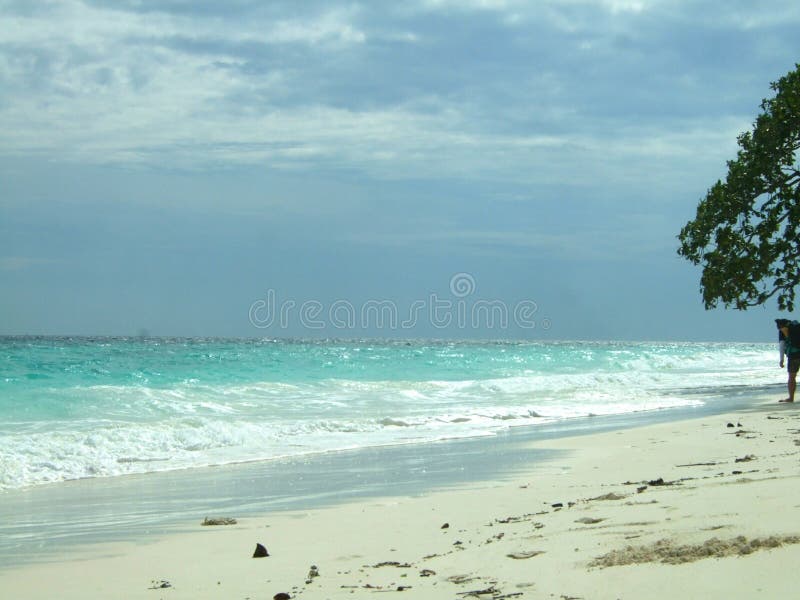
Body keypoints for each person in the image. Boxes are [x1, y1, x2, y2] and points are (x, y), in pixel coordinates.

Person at [777, 319, 800, 402]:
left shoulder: (783, 332)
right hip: (793, 355)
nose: (781, 330)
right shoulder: (796, 327)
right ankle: (791, 397)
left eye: (780, 328)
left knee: (791, 377)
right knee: (792, 377)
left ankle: (791, 398)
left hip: (793, 355)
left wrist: (781, 359)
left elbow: (782, 346)